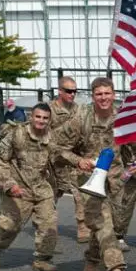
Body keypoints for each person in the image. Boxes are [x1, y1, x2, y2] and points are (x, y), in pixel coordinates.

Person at [54, 77, 136, 271]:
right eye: (99, 94)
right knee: (104, 226)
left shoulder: (123, 118)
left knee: (108, 225)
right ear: (92, 96)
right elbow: (57, 145)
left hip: (116, 181)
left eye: (107, 93)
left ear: (114, 94)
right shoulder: (81, 118)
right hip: (89, 183)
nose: (104, 98)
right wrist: (78, 160)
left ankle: (90, 268)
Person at [0, 103, 58, 271]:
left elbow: (58, 161)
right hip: (18, 188)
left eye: (45, 118)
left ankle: (42, 259)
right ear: (31, 117)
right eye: (38, 116)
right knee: (9, 226)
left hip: (41, 188)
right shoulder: (17, 134)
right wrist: (10, 184)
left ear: (49, 120)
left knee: (49, 224)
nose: (41, 121)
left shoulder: (52, 137)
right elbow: (0, 161)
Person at [49, 76, 89, 243]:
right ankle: (48, 226)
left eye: (74, 91)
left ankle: (82, 226)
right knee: (51, 194)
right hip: (54, 159)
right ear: (60, 91)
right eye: (68, 91)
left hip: (73, 159)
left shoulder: (79, 110)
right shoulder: (49, 110)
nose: (72, 94)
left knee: (80, 192)